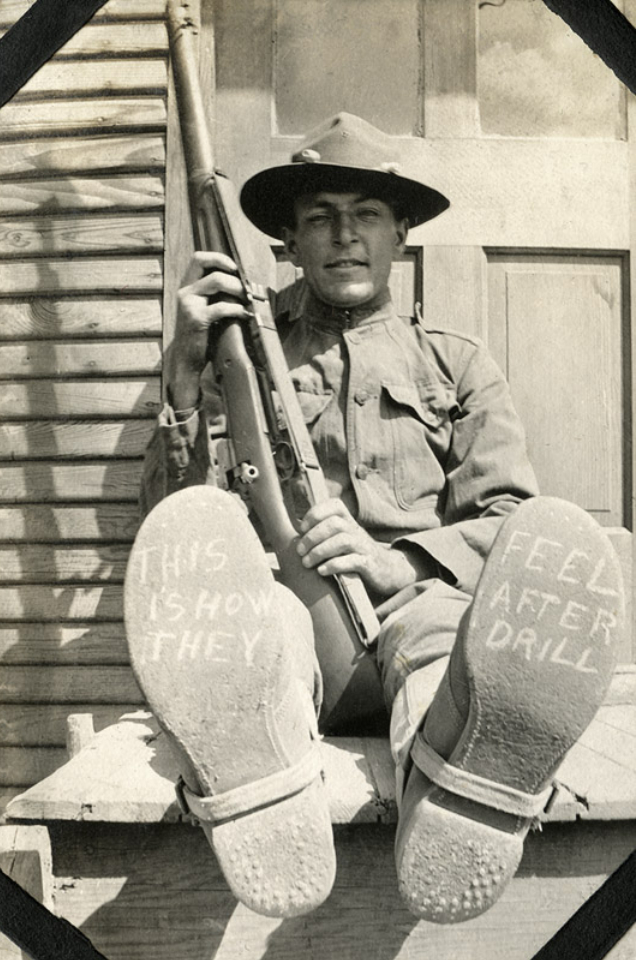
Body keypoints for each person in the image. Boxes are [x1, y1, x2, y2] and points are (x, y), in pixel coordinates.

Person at [125, 113, 624, 924]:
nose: (344, 235)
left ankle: (460, 792)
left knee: (443, 641)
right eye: (320, 216)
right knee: (267, 637)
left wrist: (405, 561)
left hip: (412, 613)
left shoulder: (457, 362)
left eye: (365, 215)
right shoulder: (240, 357)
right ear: (288, 238)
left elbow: (511, 517)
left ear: (401, 233)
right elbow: (175, 532)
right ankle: (264, 781)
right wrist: (182, 376)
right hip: (294, 618)